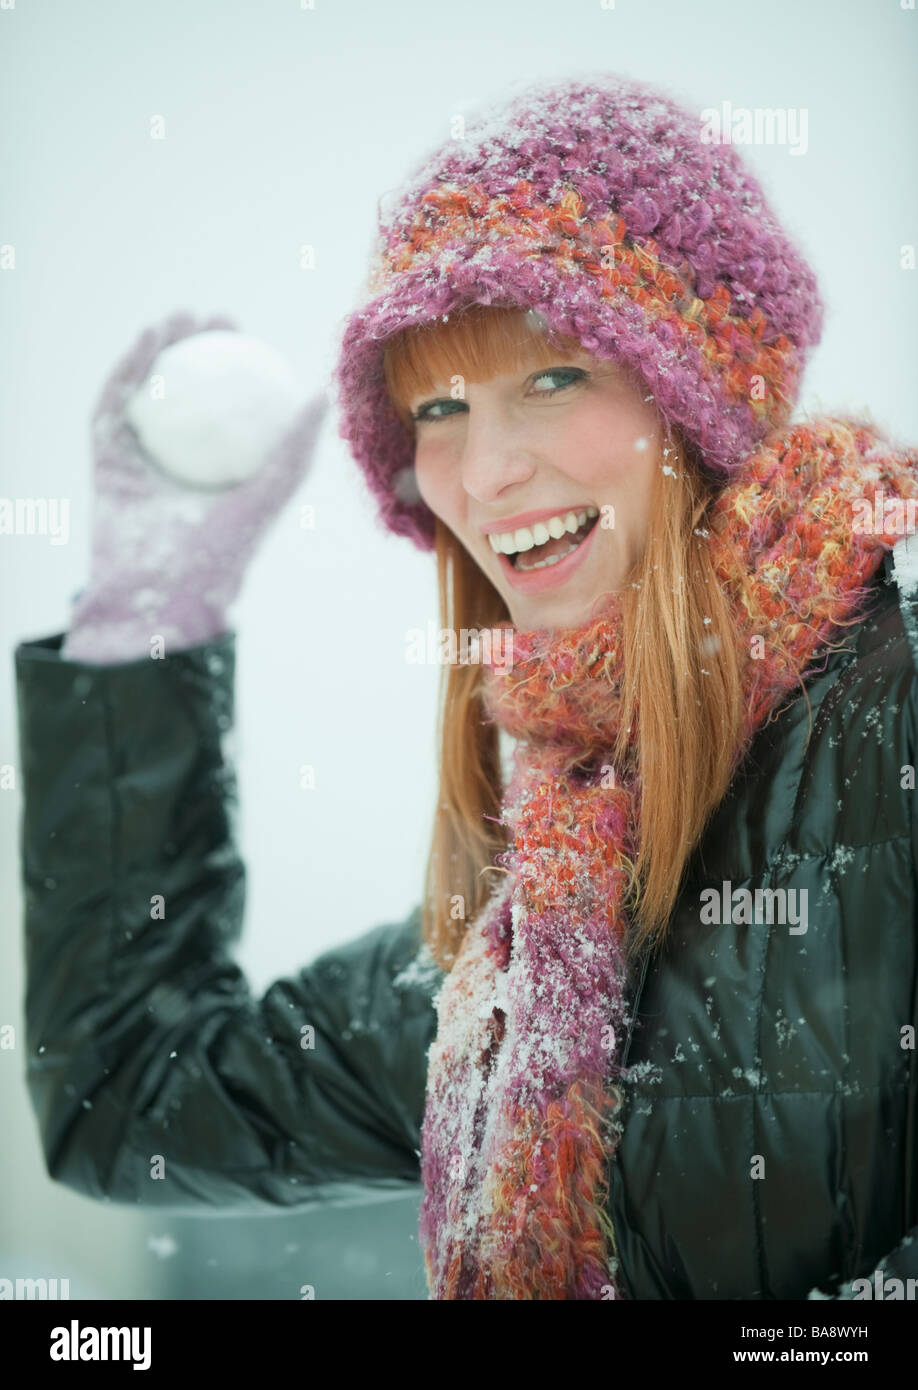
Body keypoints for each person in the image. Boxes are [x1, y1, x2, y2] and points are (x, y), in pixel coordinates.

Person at [13, 71, 918, 1301]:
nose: (485, 472)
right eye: (438, 406)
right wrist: (147, 624)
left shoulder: (891, 722)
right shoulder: (502, 955)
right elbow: (131, 1096)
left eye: (554, 376)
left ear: (700, 400)